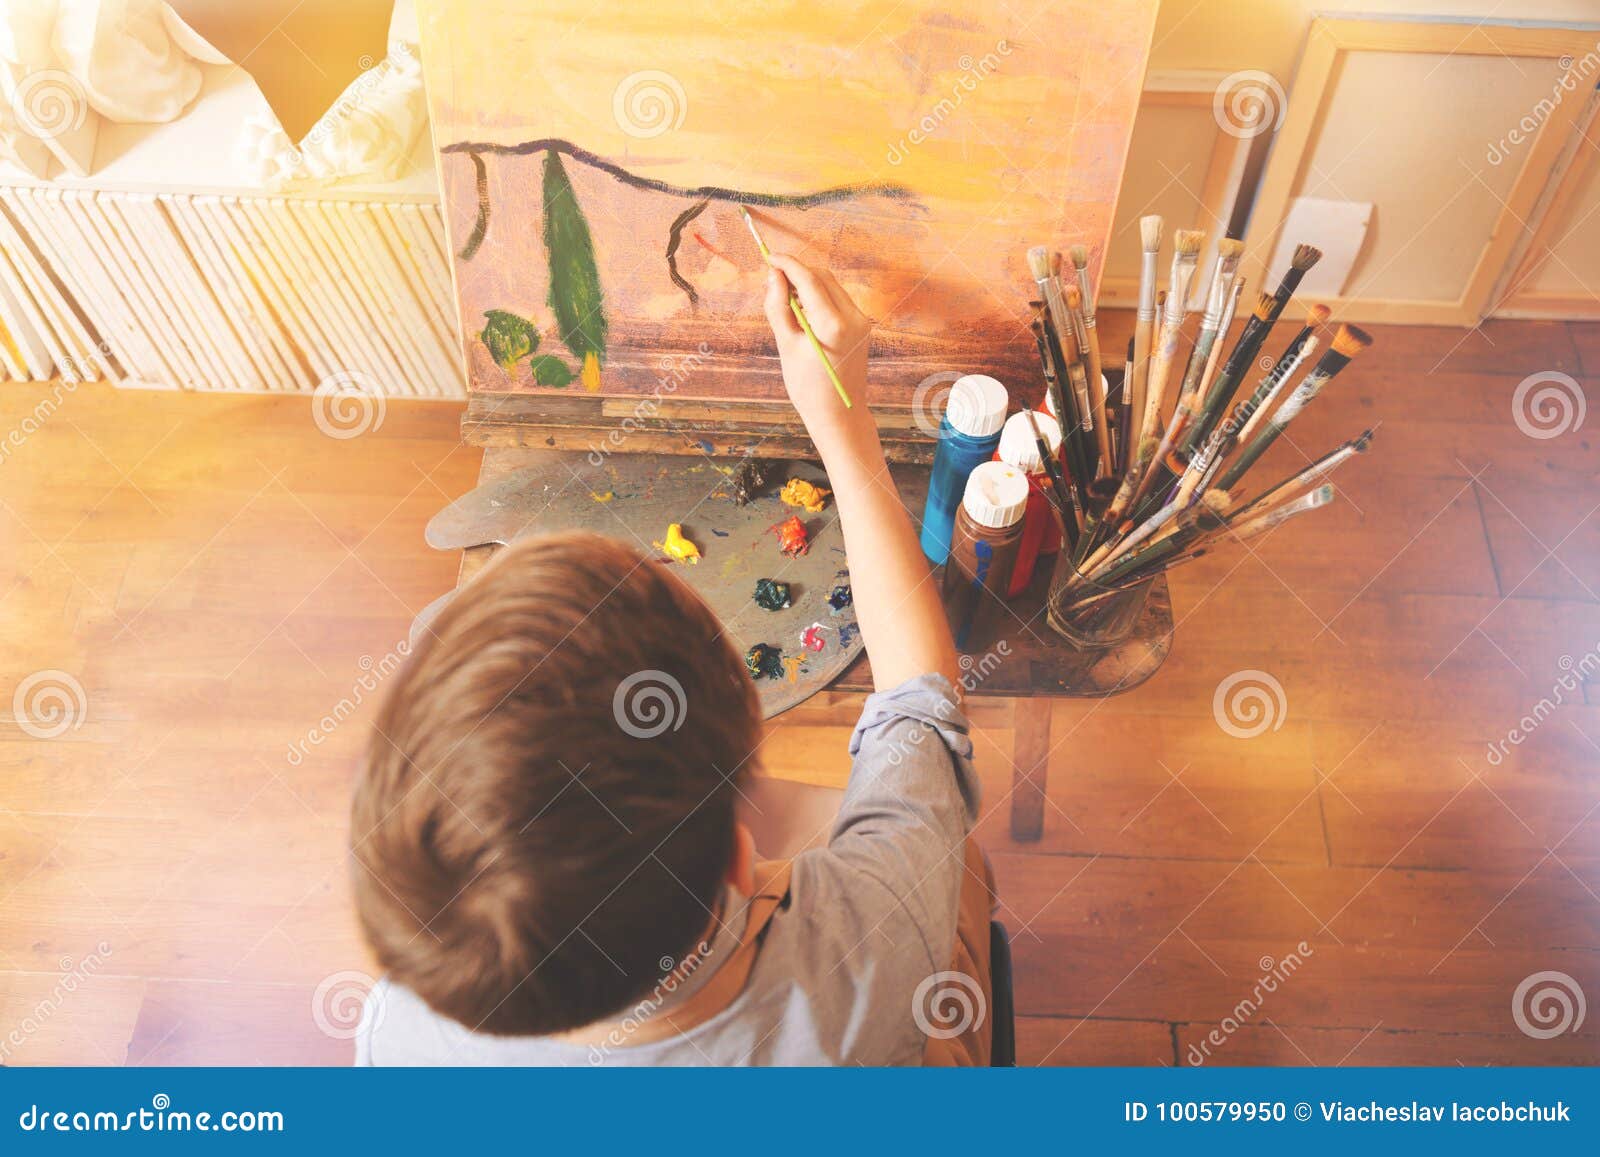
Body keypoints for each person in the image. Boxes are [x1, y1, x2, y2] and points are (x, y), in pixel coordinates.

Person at [351, 253, 992, 1065]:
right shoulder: (863, 952)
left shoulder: (399, 1036)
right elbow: (919, 701)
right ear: (742, 854)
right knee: (959, 858)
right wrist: (843, 420)